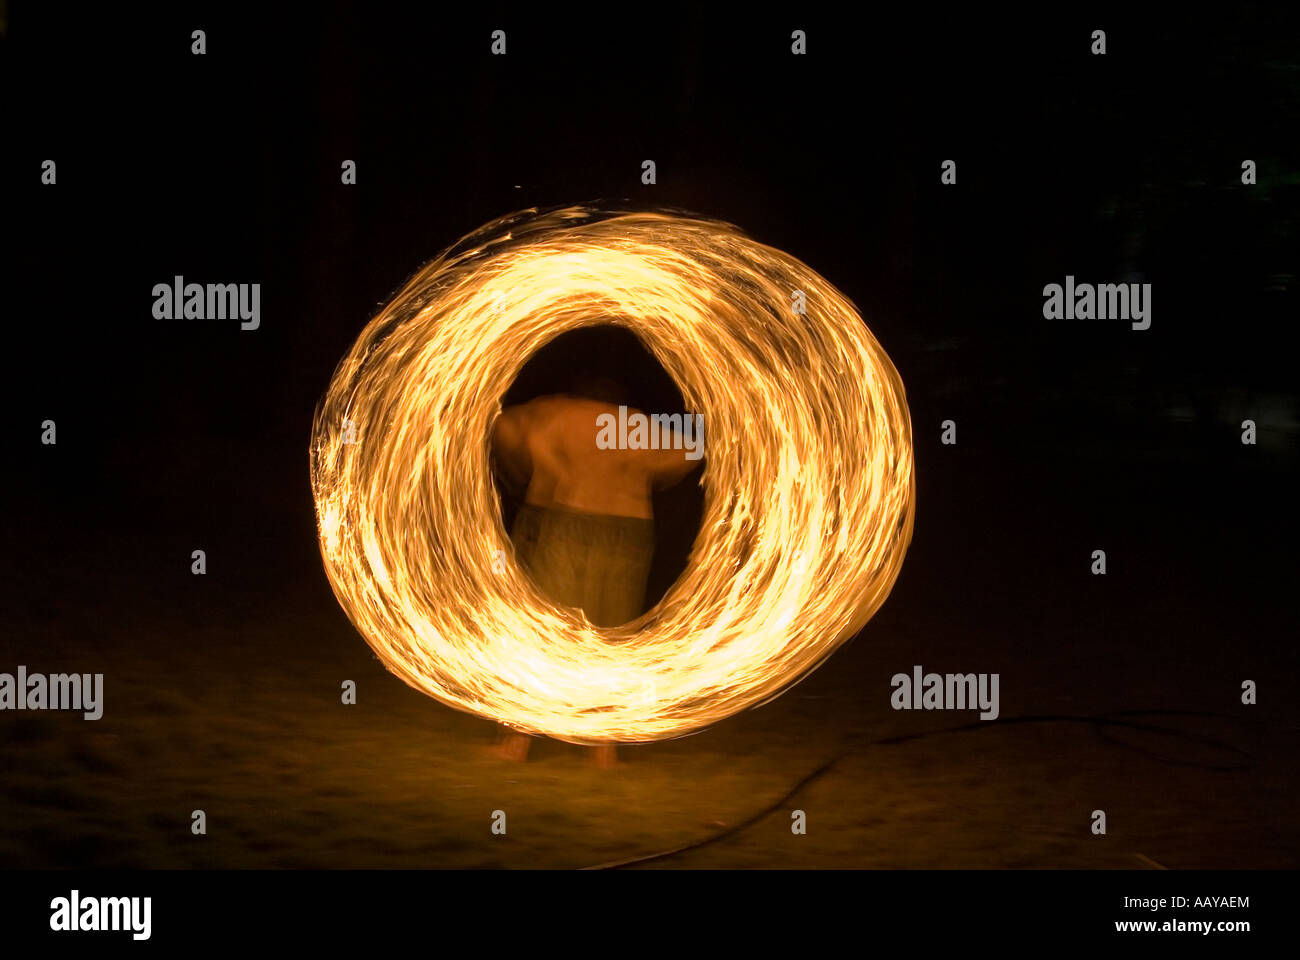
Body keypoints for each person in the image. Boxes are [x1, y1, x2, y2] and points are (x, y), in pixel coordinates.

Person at [489, 374, 703, 767]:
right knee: (609, 637)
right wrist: (644, 473)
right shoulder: (632, 425)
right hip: (629, 533)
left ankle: (517, 741)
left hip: (569, 523)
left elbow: (503, 426)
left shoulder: (558, 412)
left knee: (547, 632)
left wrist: (538, 468)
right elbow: (688, 451)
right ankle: (603, 750)